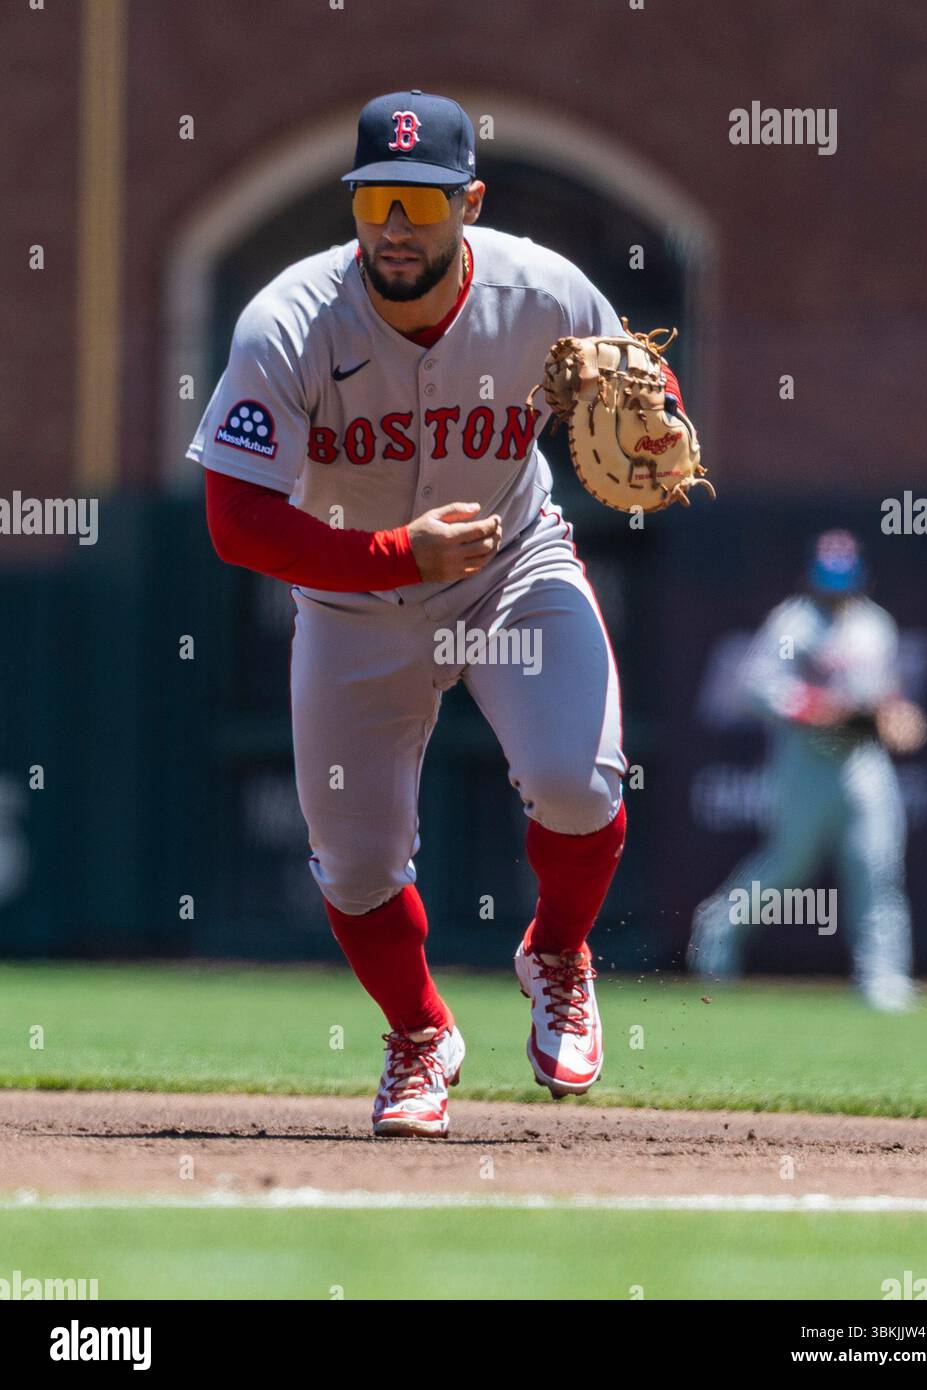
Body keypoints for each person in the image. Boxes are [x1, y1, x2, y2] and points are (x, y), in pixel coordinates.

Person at [189, 91, 685, 1134]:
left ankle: (555, 954)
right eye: (375, 202)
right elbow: (236, 522)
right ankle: (419, 1035)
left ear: (469, 201)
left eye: (419, 200)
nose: (396, 226)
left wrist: (663, 421)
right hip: (350, 598)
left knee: (577, 782)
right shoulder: (289, 320)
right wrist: (390, 555)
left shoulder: (542, 288)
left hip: (512, 567)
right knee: (358, 863)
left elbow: (649, 394)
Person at [687, 530, 925, 1012]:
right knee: (788, 867)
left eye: (844, 577)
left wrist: (895, 712)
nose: (835, 586)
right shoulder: (791, 621)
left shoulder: (875, 625)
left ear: (860, 577)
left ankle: (884, 979)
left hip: (862, 761)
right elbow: (754, 688)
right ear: (811, 574)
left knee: (876, 864)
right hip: (804, 760)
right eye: (827, 576)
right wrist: (815, 707)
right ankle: (716, 935)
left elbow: (884, 696)